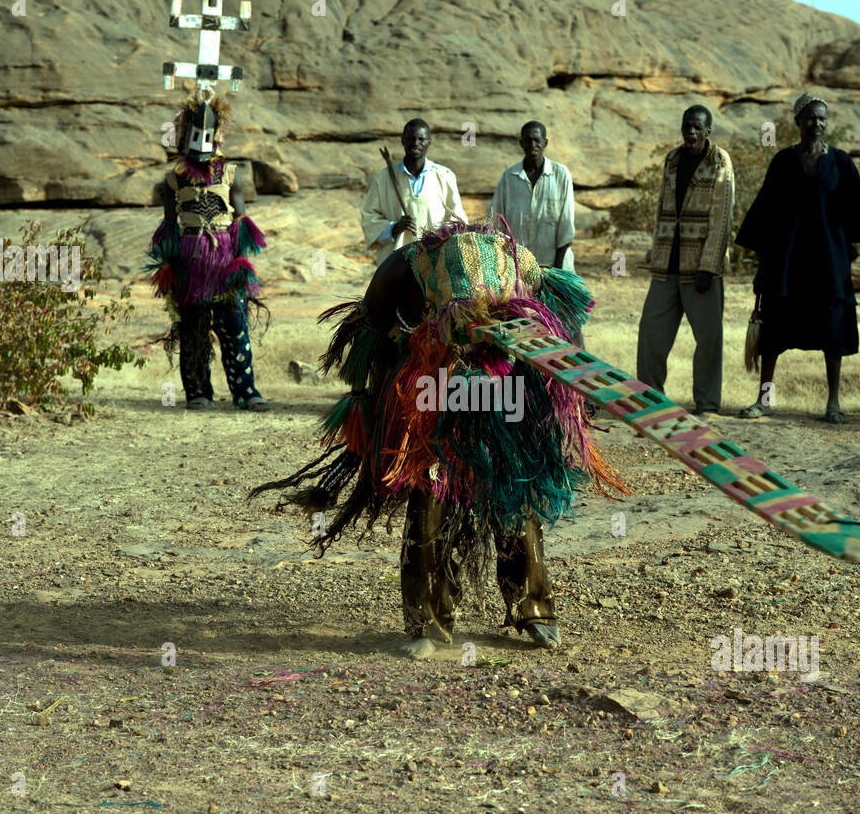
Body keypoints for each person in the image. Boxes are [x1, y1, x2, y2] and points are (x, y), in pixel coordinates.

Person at [250, 222, 627, 658]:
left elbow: (566, 330)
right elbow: (368, 335)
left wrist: (579, 386)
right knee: (431, 495)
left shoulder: (521, 269)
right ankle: (427, 624)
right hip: (433, 384)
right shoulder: (400, 273)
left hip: (505, 388)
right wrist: (369, 408)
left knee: (514, 495)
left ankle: (534, 612)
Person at [735, 93, 860, 423]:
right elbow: (765, 210)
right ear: (798, 121)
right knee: (774, 332)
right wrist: (763, 261)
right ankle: (765, 399)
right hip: (787, 261)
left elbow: (858, 207)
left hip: (828, 261)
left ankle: (833, 403)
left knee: (831, 330)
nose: (817, 123)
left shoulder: (841, 162)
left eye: (822, 118)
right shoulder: (783, 161)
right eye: (810, 117)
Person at [146, 88, 270, 411]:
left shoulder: (230, 174)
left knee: (233, 324)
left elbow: (241, 220)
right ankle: (198, 392)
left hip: (224, 264)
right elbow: (169, 226)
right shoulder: (174, 179)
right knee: (193, 327)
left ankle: (246, 392)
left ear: (217, 136)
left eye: (207, 133)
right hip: (190, 264)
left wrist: (240, 263)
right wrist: (170, 269)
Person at [636, 105, 735, 415]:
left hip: (701, 269)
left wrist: (710, 265)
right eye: (686, 126)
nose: (690, 132)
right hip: (667, 265)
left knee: (708, 339)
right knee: (651, 333)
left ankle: (706, 403)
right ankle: (651, 399)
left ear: (708, 131)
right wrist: (656, 248)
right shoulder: (673, 159)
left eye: (697, 127)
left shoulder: (719, 161)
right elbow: (661, 207)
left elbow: (722, 217)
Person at [359, 118, 467, 264]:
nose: (416, 143)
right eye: (411, 138)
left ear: (429, 141)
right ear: (403, 140)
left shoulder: (444, 176)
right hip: (393, 264)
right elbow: (368, 216)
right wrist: (394, 227)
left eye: (421, 139)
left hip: (433, 262)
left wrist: (436, 239)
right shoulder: (384, 177)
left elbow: (458, 220)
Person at [488, 121, 576, 272]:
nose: (532, 145)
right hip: (517, 267)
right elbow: (496, 222)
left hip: (554, 264)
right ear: (521, 143)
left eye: (537, 140)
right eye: (528, 140)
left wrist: (557, 272)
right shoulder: (509, 177)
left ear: (545, 143)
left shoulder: (560, 174)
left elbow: (566, 225)